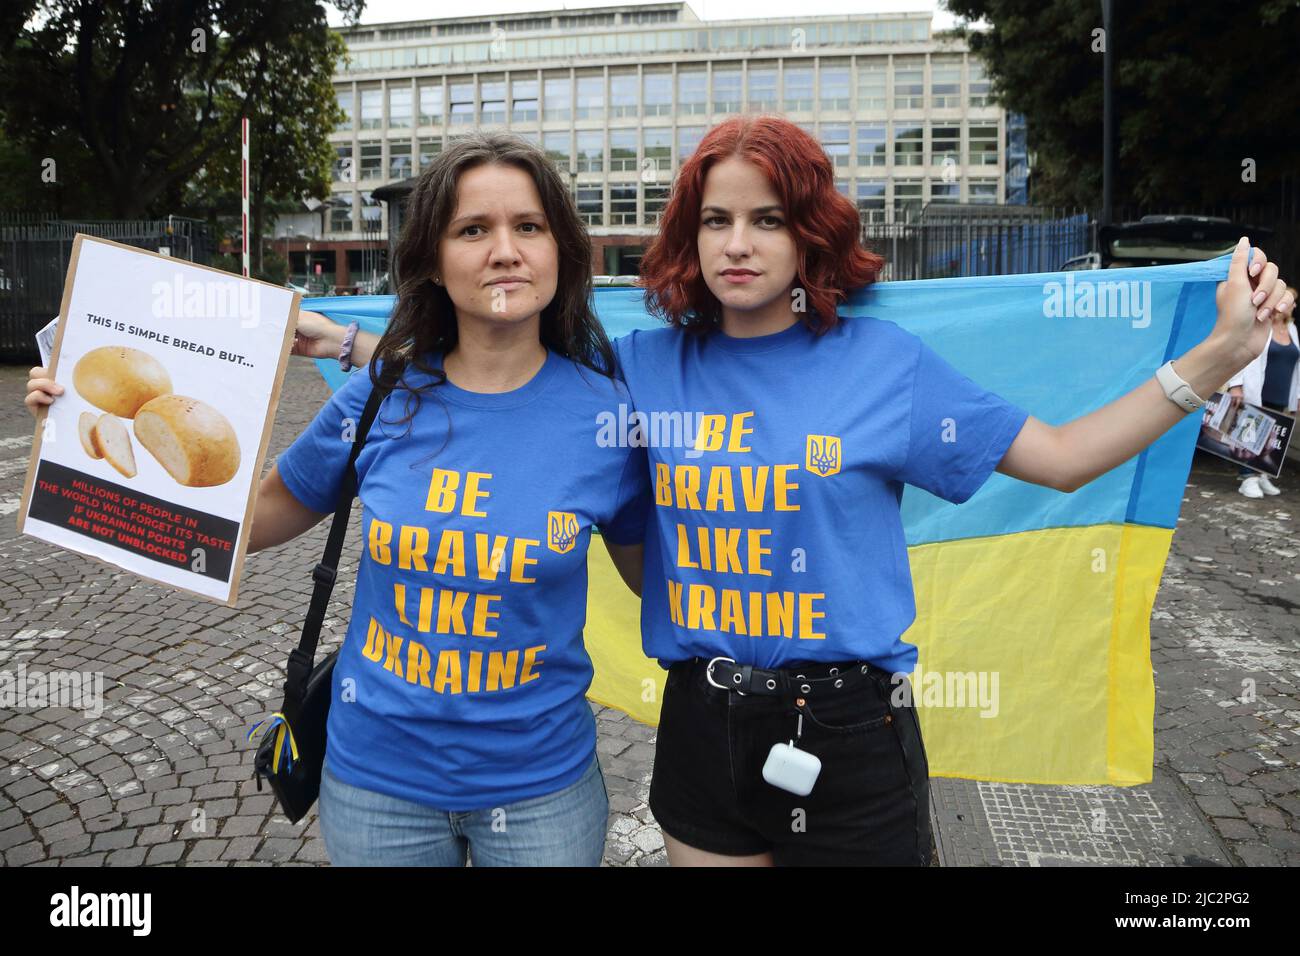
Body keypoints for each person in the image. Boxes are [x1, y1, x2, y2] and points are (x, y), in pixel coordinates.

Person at [611, 115, 1295, 866]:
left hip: (847, 733)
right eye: (717, 220)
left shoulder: (882, 363)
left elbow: (1062, 458)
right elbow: (615, 519)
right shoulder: (639, 367)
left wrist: (1222, 351)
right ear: (689, 233)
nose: (737, 243)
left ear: (810, 231)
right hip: (701, 728)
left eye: (767, 219)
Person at [26, 131, 651, 867]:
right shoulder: (381, 395)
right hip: (376, 789)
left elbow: (660, 582)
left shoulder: (609, 418)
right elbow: (251, 522)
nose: (504, 251)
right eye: (473, 229)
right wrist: (85, 451)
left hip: (543, 790)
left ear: (561, 251)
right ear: (434, 260)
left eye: (529, 227)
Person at [1225, 285, 1298, 497]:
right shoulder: (1259, 323)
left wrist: (1299, 395)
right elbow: (1240, 353)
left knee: (1271, 437)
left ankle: (1262, 475)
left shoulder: (1292, 329)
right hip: (1258, 388)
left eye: (1293, 302)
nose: (1292, 305)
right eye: (1289, 300)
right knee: (1251, 432)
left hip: (1282, 391)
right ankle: (1247, 478)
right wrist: (1236, 384)